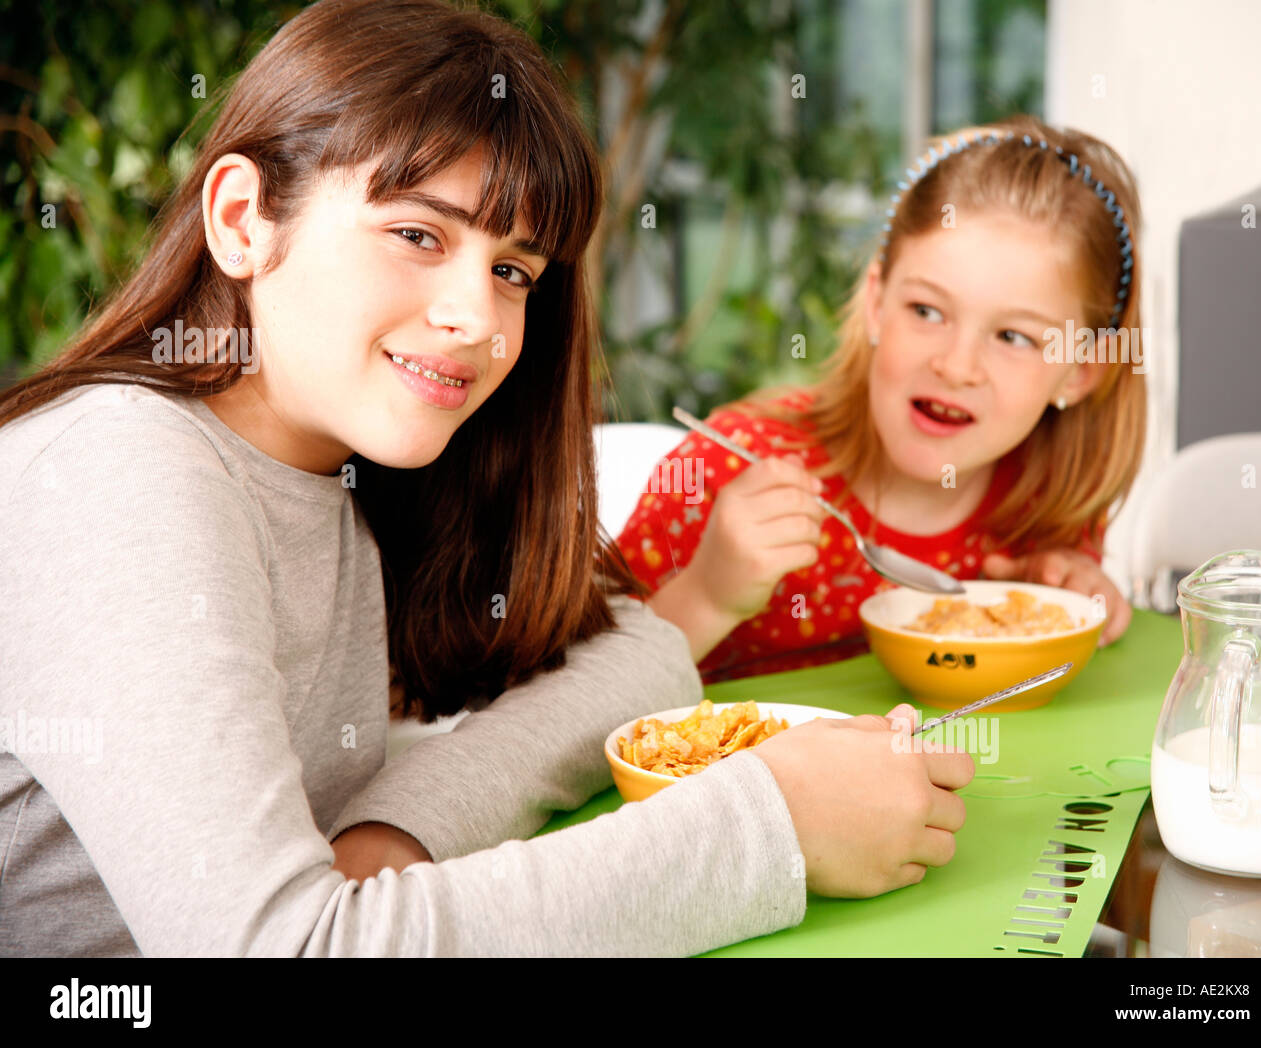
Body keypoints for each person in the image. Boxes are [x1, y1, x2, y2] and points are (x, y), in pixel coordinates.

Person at [0, 0, 972, 958]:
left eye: (513, 269)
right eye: (418, 235)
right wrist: (770, 826)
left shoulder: (349, 469)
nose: (479, 317)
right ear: (242, 218)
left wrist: (396, 831)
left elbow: (625, 643)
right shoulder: (117, 469)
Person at [617, 116, 1146, 683]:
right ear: (876, 303)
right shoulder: (729, 468)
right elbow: (563, 698)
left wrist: (1078, 586)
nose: (955, 365)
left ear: (1080, 372)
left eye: (1013, 336)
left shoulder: (1048, 498)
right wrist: (707, 594)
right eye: (926, 311)